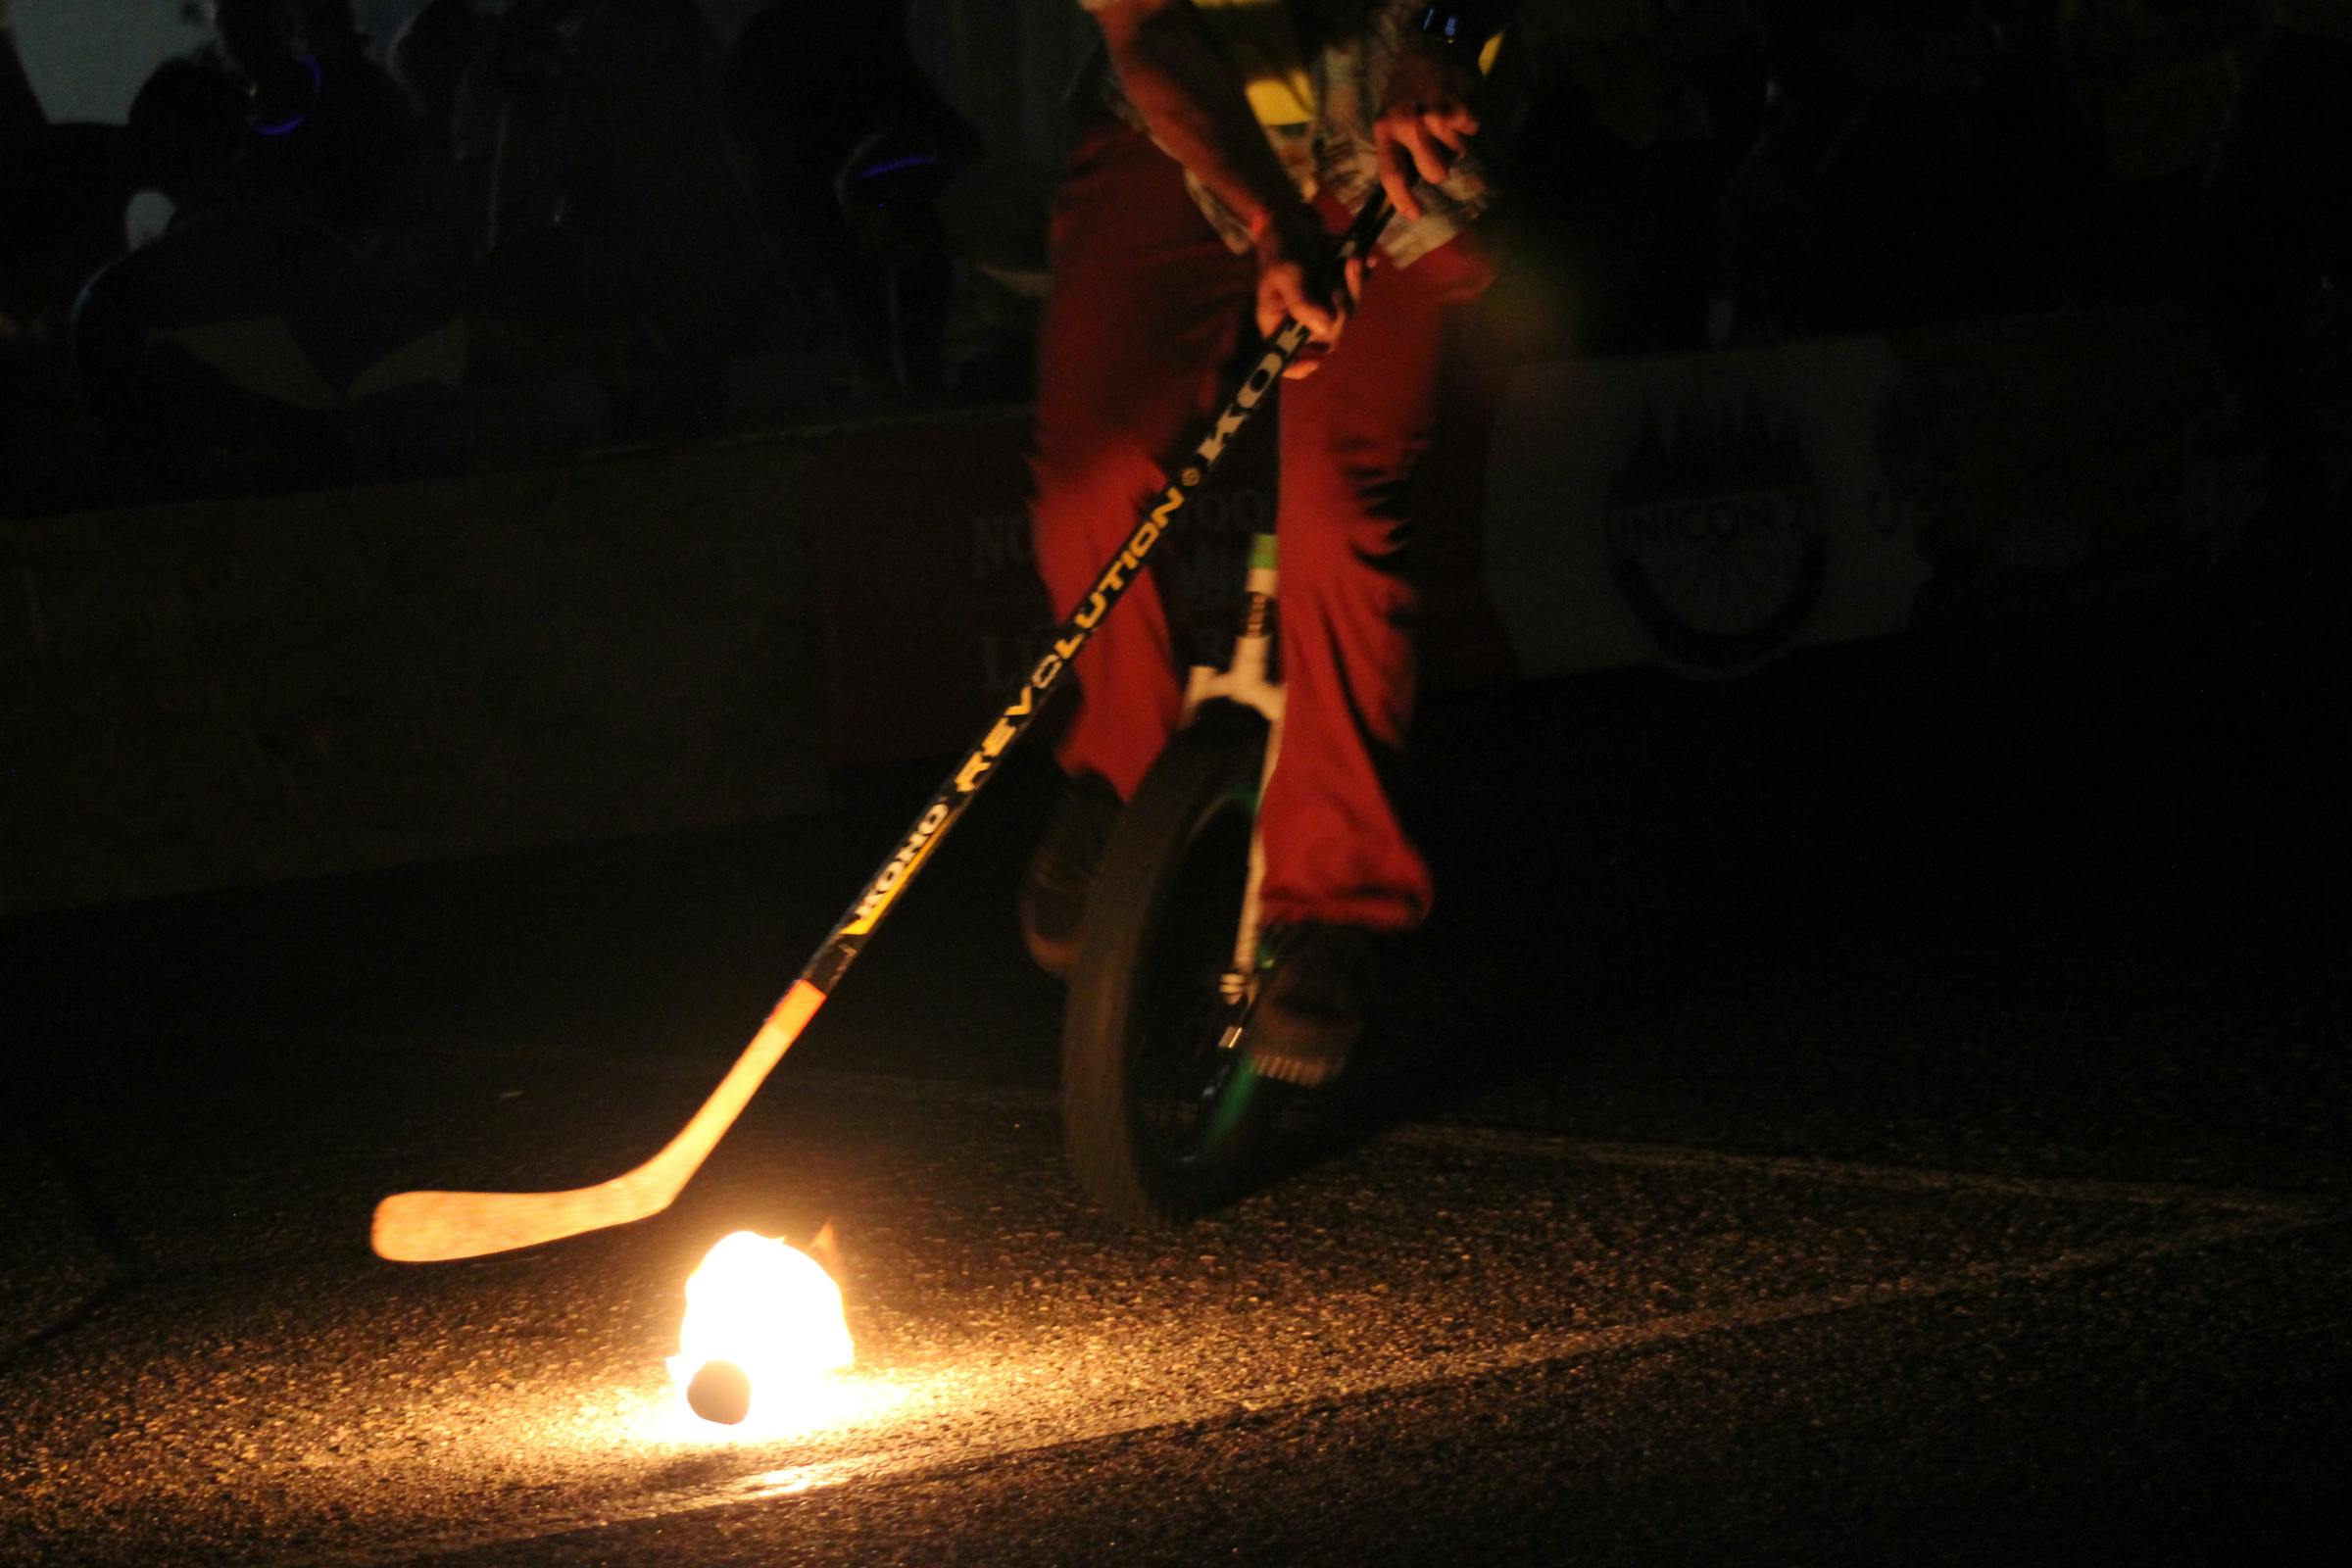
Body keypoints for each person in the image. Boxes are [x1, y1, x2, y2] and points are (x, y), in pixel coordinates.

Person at [1019, 0, 1509, 1086]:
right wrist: (1270, 224)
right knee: (1090, 486)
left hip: (1382, 126)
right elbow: (1145, 35)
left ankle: (1340, 895)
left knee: (1339, 514)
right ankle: (1117, 779)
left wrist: (1442, 33)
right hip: (1188, 133)